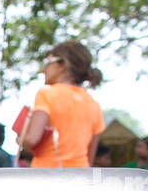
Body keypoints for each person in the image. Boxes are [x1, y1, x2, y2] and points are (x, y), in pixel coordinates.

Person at [18, 40, 105, 168]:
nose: (43, 70)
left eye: (47, 63)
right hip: (80, 177)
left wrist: (20, 138)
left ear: (62, 65)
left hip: (48, 175)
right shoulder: (94, 104)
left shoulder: (47, 95)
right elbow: (90, 156)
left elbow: (32, 140)